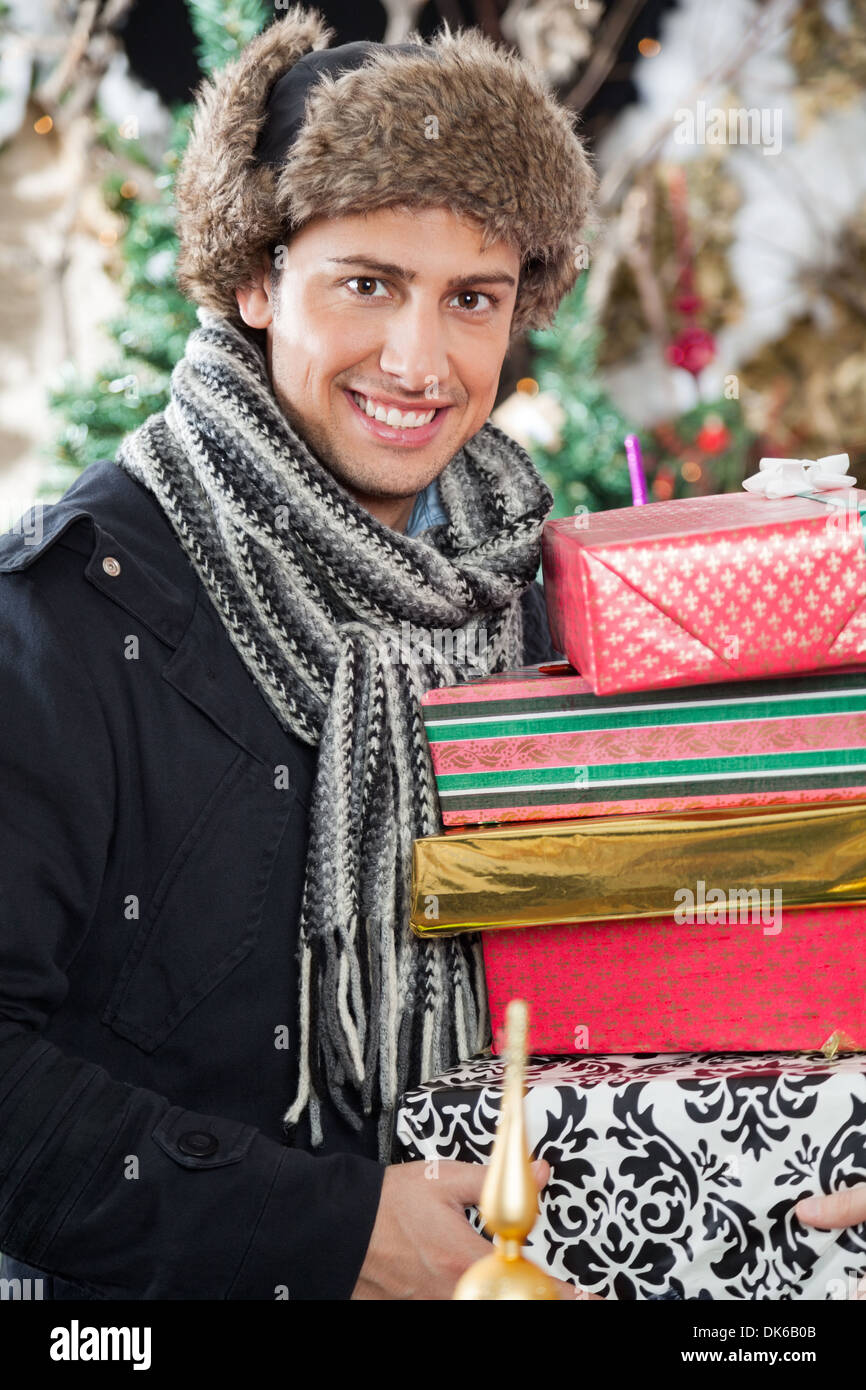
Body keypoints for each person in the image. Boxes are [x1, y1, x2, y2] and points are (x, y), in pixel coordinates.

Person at [0, 6, 597, 1299]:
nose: (417, 360)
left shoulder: (555, 596)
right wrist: (324, 1231)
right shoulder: (65, 610)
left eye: (471, 298)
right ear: (255, 278)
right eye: (367, 282)